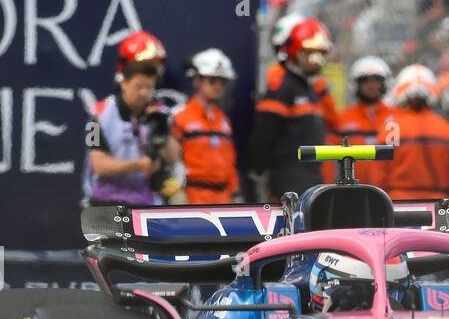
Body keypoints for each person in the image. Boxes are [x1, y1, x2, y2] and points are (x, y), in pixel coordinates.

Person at [82, 30, 179, 207]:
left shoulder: (161, 112)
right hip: (105, 202)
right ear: (124, 82)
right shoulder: (97, 113)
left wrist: (164, 131)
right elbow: (98, 165)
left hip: (147, 204)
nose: (144, 93)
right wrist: (140, 164)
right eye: (138, 86)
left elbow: (174, 159)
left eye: (148, 86)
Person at [248, 15, 337, 200]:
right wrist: (259, 171)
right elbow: (264, 136)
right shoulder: (281, 87)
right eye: (310, 52)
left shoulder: (311, 88)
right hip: (287, 186)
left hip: (313, 182)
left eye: (321, 53)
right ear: (295, 51)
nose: (316, 60)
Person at [381, 64, 449, 200]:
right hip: (438, 203)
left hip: (397, 203)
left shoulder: (391, 128)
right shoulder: (446, 129)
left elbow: (379, 175)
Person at [170, 48, 238, 204]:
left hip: (224, 199)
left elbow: (230, 162)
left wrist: (235, 192)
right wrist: (176, 194)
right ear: (197, 81)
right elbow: (172, 162)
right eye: (212, 80)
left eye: (223, 81)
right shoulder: (180, 117)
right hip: (192, 198)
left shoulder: (224, 121)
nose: (218, 86)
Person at [327, 56, 392, 188]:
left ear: (385, 83)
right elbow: (329, 163)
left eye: (376, 80)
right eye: (365, 80)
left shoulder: (397, 118)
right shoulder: (342, 120)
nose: (371, 85)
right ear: (355, 84)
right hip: (351, 191)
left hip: (390, 194)